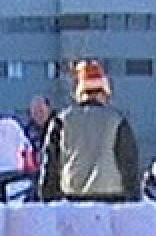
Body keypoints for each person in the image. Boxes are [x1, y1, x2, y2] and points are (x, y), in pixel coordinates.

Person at [39, 60, 139, 202]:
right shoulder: (117, 121)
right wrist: (134, 199)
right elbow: (129, 166)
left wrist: (48, 200)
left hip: (71, 200)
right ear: (104, 91)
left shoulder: (61, 121)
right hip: (112, 200)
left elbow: (50, 167)